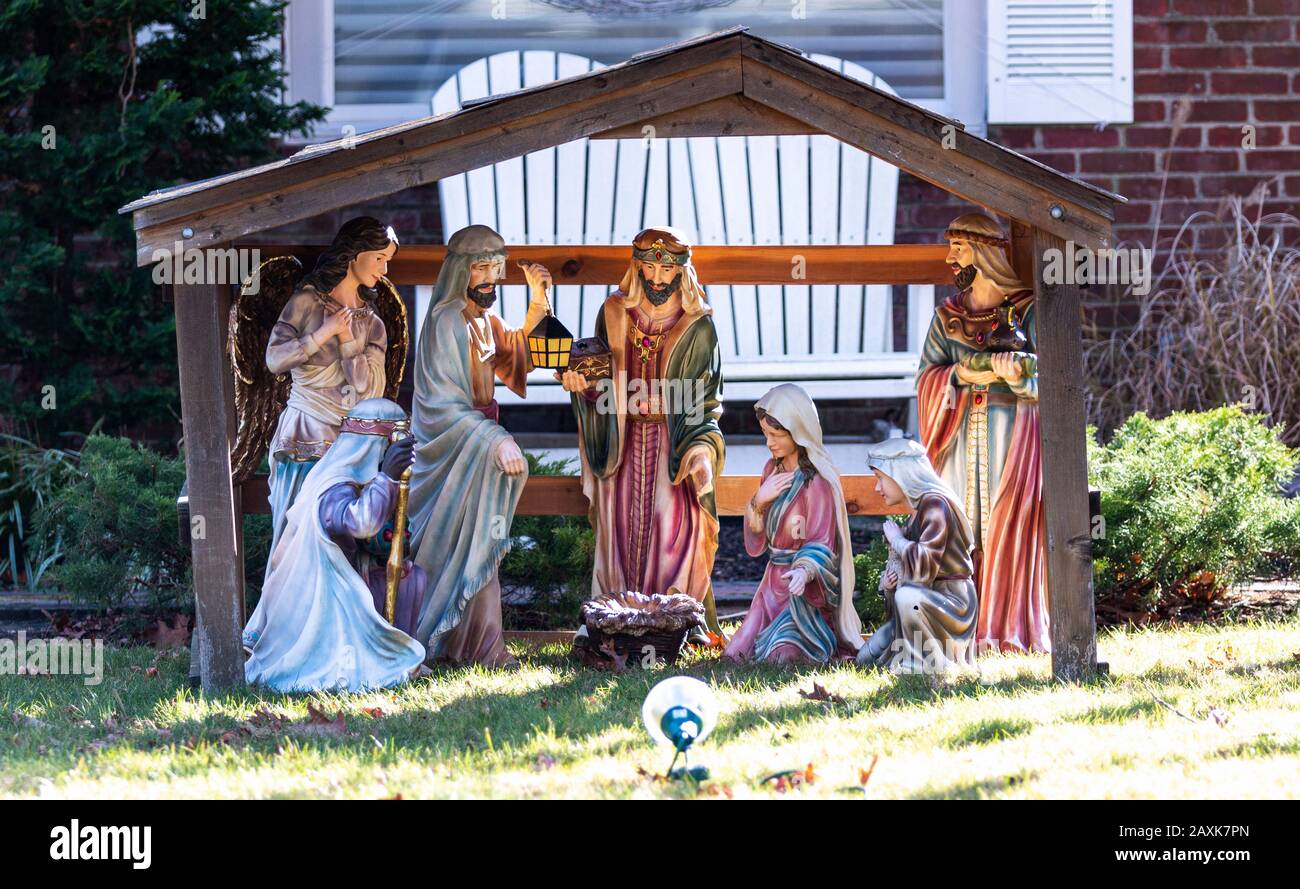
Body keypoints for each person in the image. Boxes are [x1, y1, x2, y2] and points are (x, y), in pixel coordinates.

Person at [558, 226, 725, 636]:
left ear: (681, 273)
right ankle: (614, 620)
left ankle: (674, 623)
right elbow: (597, 375)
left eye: (665, 271)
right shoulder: (614, 312)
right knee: (620, 532)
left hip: (674, 446)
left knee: (672, 530)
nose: (656, 279)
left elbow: (707, 400)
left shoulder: (698, 326)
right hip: (622, 444)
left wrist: (695, 442)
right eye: (647, 267)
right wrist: (582, 386)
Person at [406, 224, 551, 667]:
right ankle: (436, 641)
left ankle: (483, 646)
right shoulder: (447, 321)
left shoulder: (485, 321)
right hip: (453, 450)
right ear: (459, 272)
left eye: (496, 268)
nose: (491, 278)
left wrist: (540, 300)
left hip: (479, 446)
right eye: (481, 268)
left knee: (482, 543)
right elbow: (441, 407)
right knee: (454, 543)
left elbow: (529, 357)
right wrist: (495, 438)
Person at [916, 212, 1046, 652]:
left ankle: (1004, 625)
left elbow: (1048, 378)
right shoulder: (947, 317)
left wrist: (1017, 376)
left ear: (985, 251)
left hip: (1011, 440)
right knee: (960, 523)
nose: (950, 257)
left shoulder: (1028, 310)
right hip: (957, 438)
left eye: (959, 247)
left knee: (1005, 523)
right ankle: (957, 623)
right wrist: (971, 371)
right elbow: (925, 379)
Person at [243, 398, 426, 692]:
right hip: (321, 593)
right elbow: (360, 522)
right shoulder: (334, 487)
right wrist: (388, 477)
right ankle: (386, 658)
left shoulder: (348, 481)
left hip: (348, 574)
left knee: (411, 577)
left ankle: (397, 651)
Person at [263, 217, 399, 554]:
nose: (383, 269)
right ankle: (289, 605)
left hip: (350, 446)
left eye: (388, 261)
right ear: (354, 254)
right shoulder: (306, 302)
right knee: (296, 540)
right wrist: (323, 333)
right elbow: (275, 360)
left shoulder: (373, 324)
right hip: (305, 435)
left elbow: (370, 392)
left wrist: (348, 340)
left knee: (343, 543)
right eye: (379, 257)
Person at [724, 385, 863, 664]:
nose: (769, 443)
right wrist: (758, 502)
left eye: (776, 435)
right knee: (734, 655)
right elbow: (757, 537)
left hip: (803, 596)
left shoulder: (816, 482)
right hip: (771, 585)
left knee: (780, 657)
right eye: (766, 434)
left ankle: (800, 641)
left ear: (798, 432)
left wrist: (803, 572)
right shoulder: (770, 470)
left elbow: (822, 543)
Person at [856, 437, 978, 674]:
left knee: (907, 598)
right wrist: (889, 587)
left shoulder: (935, 505)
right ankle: (907, 659)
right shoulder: (917, 513)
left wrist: (898, 541)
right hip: (928, 599)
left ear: (900, 474)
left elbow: (924, 567)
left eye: (880, 479)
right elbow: (911, 579)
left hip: (952, 602)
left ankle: (919, 665)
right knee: (866, 657)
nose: (877, 488)